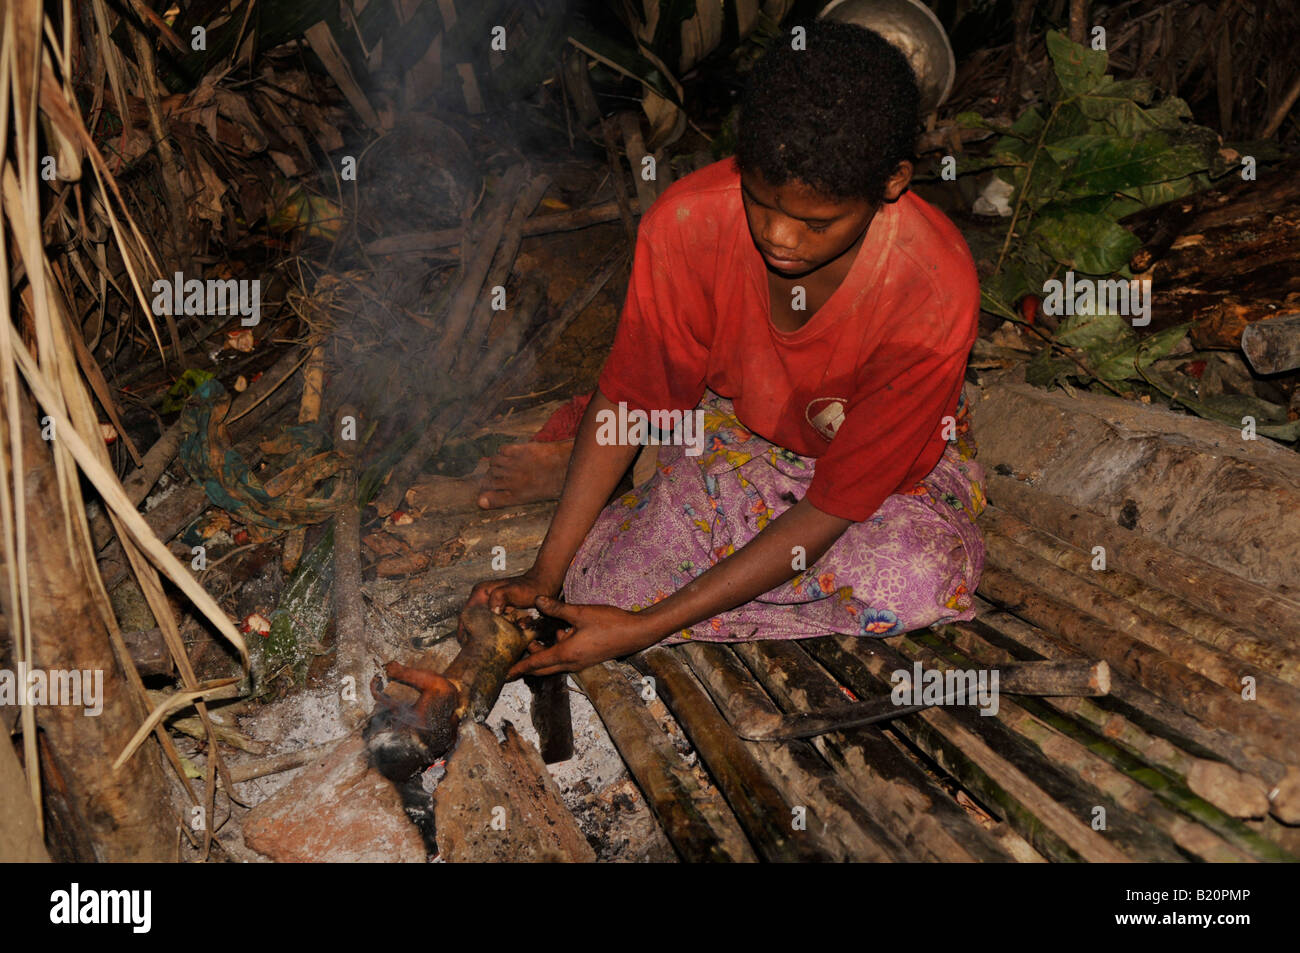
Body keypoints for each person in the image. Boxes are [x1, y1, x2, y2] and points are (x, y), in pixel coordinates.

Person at [467, 21, 986, 679]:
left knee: (917, 577)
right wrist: (546, 572)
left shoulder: (931, 287)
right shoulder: (689, 224)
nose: (779, 236)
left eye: (816, 222)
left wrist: (651, 624)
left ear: (893, 183)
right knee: (597, 592)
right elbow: (630, 398)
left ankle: (674, 561)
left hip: (874, 490)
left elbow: (833, 504)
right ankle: (663, 511)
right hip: (737, 444)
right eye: (760, 201)